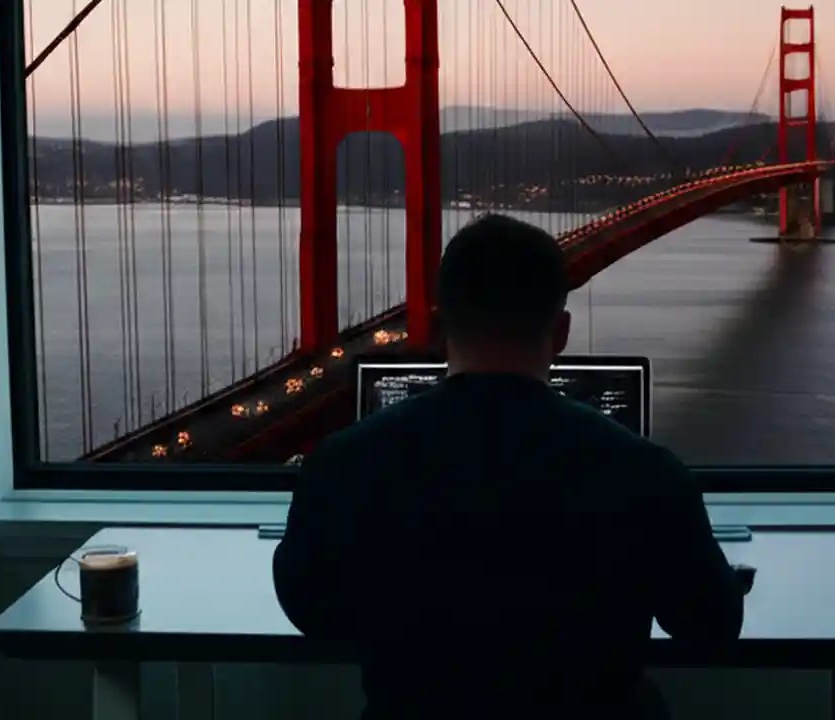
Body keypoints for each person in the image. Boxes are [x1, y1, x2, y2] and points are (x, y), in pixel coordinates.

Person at [274, 214, 745, 719]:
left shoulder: (342, 465)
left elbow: (310, 607)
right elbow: (710, 624)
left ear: (436, 329)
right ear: (560, 332)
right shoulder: (646, 472)